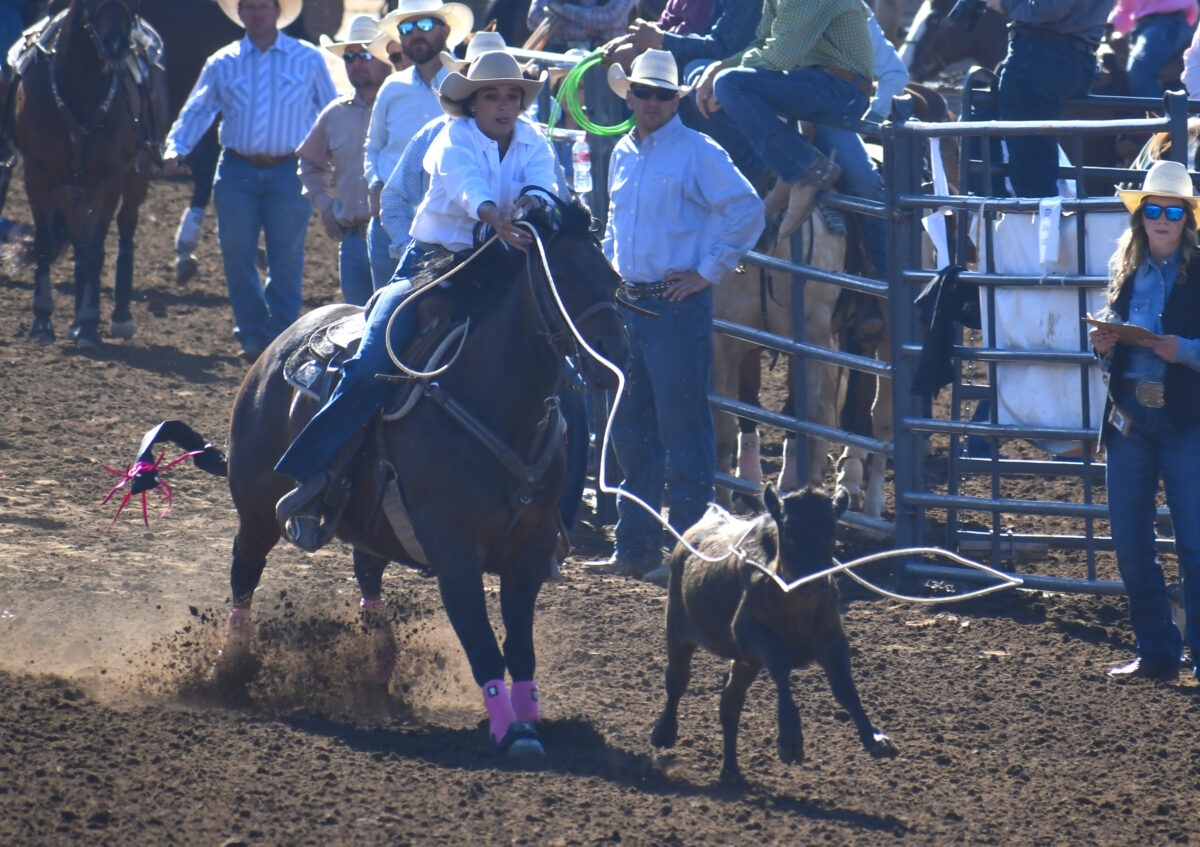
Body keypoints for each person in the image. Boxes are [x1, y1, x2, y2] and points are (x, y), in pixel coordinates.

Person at [275, 51, 556, 552]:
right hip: (431, 266)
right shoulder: (452, 137)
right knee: (370, 364)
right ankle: (316, 474)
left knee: (557, 368)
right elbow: (466, 184)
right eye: (492, 95)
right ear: (472, 103)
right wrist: (494, 216)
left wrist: (534, 204)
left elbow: (546, 185)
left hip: (503, 269)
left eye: (512, 96)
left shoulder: (534, 140)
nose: (503, 105)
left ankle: (555, 511)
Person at [583, 50, 763, 583]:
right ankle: (637, 546)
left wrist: (706, 272)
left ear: (675, 100)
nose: (653, 102)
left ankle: (687, 553)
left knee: (682, 430)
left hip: (674, 303)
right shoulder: (624, 151)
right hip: (634, 301)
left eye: (663, 94)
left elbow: (747, 207)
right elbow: (614, 223)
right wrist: (612, 268)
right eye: (644, 92)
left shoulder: (698, 151)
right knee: (632, 429)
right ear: (630, 96)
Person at [164, 0, 336, 360]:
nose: (257, 13)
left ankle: (280, 337)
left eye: (264, 6)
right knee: (236, 252)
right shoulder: (222, 61)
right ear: (240, 13)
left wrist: (337, 155)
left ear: (277, 11)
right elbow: (198, 108)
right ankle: (252, 333)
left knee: (285, 255)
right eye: (250, 7)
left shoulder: (308, 58)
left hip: (291, 170)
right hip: (236, 169)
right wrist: (177, 146)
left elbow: (329, 109)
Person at [1089, 160, 1200, 683]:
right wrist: (1103, 348)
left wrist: (1185, 350)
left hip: (1185, 420)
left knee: (1194, 544)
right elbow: (1108, 358)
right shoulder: (1125, 272)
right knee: (1131, 544)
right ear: (1142, 217)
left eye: (1173, 212)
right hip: (1130, 416)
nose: (1161, 220)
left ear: (1186, 219)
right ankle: (1157, 651)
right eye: (1153, 210)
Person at [365, 0, 474, 292]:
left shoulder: (465, 85)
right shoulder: (391, 87)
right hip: (391, 221)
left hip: (448, 227)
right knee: (381, 310)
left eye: (424, 25)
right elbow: (373, 145)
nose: (415, 34)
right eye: (406, 28)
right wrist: (375, 183)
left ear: (445, 31)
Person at [297, 16, 392, 307]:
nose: (356, 63)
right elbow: (310, 164)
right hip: (352, 241)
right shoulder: (334, 113)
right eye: (350, 57)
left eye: (365, 55)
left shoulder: (401, 105)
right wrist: (325, 206)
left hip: (395, 239)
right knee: (354, 321)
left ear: (385, 58)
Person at [984, 0, 1109, 198]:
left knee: (1031, 170)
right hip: (1075, 57)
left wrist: (1005, 3)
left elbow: (1049, 7)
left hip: (1039, 57)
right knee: (1033, 156)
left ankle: (1033, 212)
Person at [1109, 0, 1197, 101]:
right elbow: (1126, 9)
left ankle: (1156, 111)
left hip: (1170, 21)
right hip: (1142, 26)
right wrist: (1110, 29)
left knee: (1140, 68)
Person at [526, 0, 638, 52]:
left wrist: (560, 7)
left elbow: (610, 18)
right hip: (556, 55)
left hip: (603, 57)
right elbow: (534, 19)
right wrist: (585, 32)